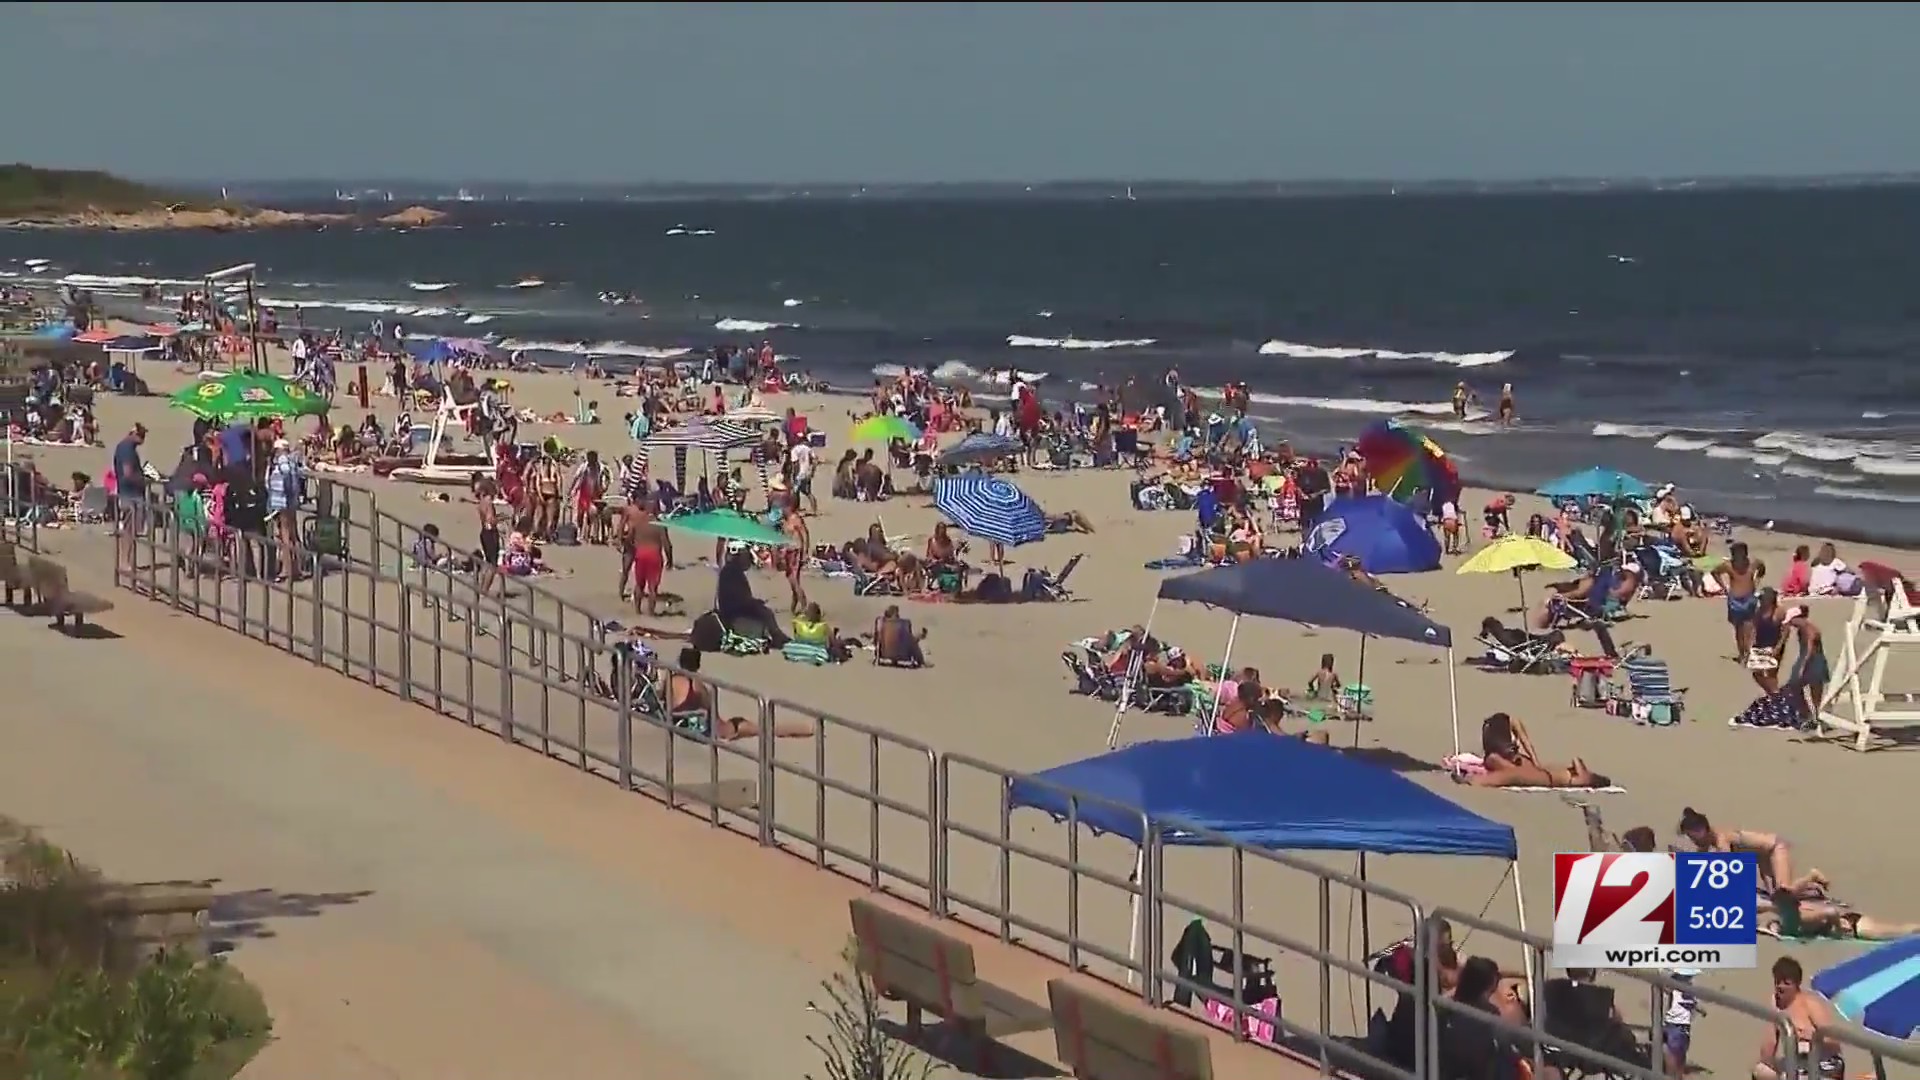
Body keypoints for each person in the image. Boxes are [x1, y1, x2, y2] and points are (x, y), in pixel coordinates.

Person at [665, 648, 812, 740]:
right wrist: (727, 731)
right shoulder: (697, 686)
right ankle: (805, 729)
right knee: (757, 728)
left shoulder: (670, 680)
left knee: (752, 726)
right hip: (701, 730)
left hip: (678, 723)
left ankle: (802, 729)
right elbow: (713, 716)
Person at [1677, 808, 1811, 896]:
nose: (1693, 842)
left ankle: (1812, 876)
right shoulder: (1709, 839)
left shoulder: (1722, 839)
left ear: (1702, 831)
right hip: (1763, 857)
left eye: (1693, 837)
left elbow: (1727, 868)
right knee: (1775, 896)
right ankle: (1811, 888)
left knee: (1785, 892)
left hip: (1776, 848)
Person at [1752, 957, 1843, 1080]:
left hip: (1823, 1062)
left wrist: (1812, 1037)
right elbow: (1768, 1049)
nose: (1780, 986)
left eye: (1786, 983)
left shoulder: (1809, 1003)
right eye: (1777, 982)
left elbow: (1834, 1044)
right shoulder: (1777, 1005)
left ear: (1797, 984)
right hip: (1795, 1061)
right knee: (1761, 1071)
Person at [1465, 712, 1606, 788]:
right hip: (1506, 759)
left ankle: (1477, 781)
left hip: (1494, 758)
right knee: (1513, 773)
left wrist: (1537, 763)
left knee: (1513, 774)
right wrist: (1536, 763)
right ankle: (1478, 781)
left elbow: (1527, 743)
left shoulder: (1583, 778)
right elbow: (1526, 744)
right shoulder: (1578, 778)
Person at [1764, 889, 1920, 943]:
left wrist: (1838, 932)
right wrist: (1773, 928)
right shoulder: (1786, 916)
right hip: (1847, 919)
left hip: (1855, 926)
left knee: (1897, 933)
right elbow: (1774, 922)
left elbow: (1831, 912)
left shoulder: (1803, 918)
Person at [715, 547, 789, 646]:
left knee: (763, 610)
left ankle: (775, 634)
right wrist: (753, 602)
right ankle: (776, 636)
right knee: (766, 613)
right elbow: (738, 597)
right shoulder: (733, 573)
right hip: (732, 609)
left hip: (732, 606)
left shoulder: (732, 570)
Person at [1715, 542, 1767, 663]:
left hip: (1749, 598)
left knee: (1749, 627)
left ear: (1745, 554)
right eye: (1736, 554)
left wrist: (1757, 581)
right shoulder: (1728, 565)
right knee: (1739, 629)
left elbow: (1762, 568)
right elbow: (1715, 572)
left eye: (1741, 554)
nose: (1738, 557)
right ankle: (1742, 653)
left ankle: (1747, 652)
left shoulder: (1753, 563)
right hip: (1735, 600)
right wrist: (1724, 587)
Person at [111, 422, 148, 569]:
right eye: (142, 436)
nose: (143, 440)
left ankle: (128, 560)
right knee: (130, 530)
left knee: (129, 530)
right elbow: (127, 473)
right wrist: (144, 480)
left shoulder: (124, 447)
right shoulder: (127, 449)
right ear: (134, 434)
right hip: (130, 494)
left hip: (127, 493)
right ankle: (126, 562)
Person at [474, 477, 503, 597]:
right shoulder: (489, 503)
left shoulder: (481, 503)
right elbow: (490, 521)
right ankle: (484, 590)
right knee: (493, 565)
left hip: (484, 533)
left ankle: (482, 588)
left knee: (488, 562)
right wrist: (502, 518)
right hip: (490, 533)